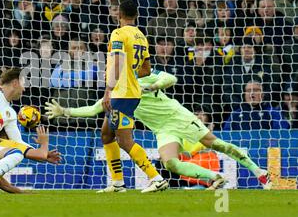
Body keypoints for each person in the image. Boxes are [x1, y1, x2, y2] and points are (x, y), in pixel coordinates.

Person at [46, 70, 272, 190]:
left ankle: (258, 171)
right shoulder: (116, 96)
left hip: (179, 117)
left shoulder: (143, 78)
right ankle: (216, 177)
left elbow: (170, 78)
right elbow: (94, 109)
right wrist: (64, 111)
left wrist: (153, 86)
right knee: (170, 163)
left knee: (215, 143)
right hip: (162, 129)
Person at [99, 0, 167, 193]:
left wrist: (108, 90)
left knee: (124, 139)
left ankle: (156, 178)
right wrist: (131, 72)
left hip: (121, 93)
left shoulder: (118, 34)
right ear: (136, 15)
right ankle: (117, 183)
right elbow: (146, 69)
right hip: (131, 91)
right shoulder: (140, 36)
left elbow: (118, 62)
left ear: (119, 14)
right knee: (106, 134)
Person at [223, 81, 290, 131]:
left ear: (262, 94)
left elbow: (282, 133)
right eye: (248, 91)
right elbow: (226, 133)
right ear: (244, 95)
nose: (252, 93)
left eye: (255, 90)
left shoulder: (272, 112)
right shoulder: (235, 114)